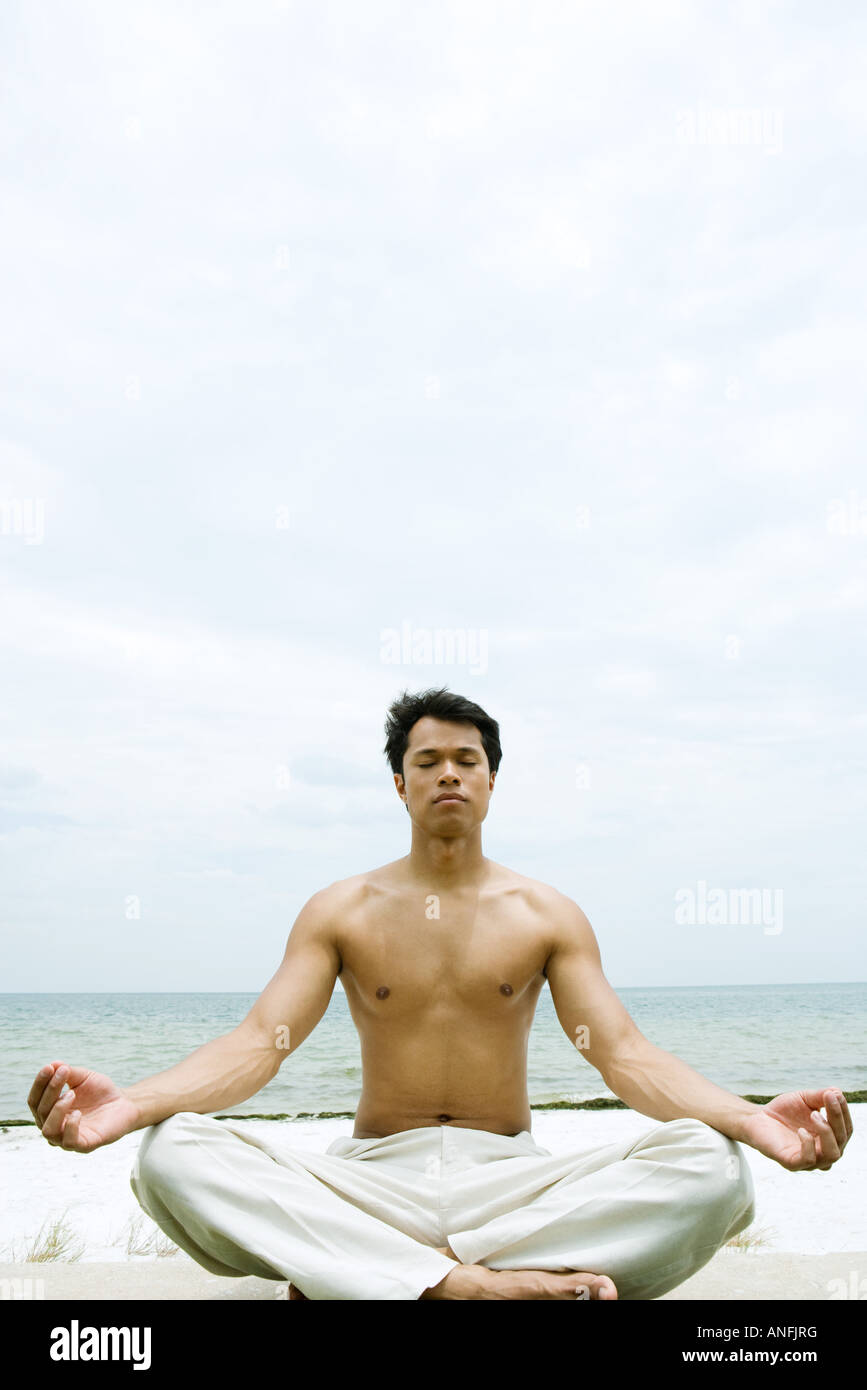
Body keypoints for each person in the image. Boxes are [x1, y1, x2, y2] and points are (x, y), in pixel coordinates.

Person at [27, 687, 853, 1300]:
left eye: (468, 760)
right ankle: (466, 1286)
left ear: (493, 781)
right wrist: (131, 1105)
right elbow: (255, 1046)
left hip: (512, 1182)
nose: (449, 774)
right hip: (371, 1178)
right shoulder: (340, 910)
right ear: (399, 785)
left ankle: (366, 1277)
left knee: (715, 1168)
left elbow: (625, 1056)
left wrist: (747, 1119)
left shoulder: (545, 914)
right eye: (428, 761)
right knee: (171, 1155)